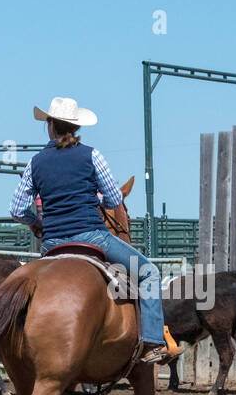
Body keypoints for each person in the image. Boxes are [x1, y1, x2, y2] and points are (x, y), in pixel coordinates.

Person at [10, 96, 175, 363]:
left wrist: (35, 223)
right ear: (75, 128)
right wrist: (96, 200)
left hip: (52, 245)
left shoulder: (35, 163)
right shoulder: (92, 155)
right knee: (150, 273)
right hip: (92, 237)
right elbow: (113, 199)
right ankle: (153, 343)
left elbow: (16, 209)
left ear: (50, 126)